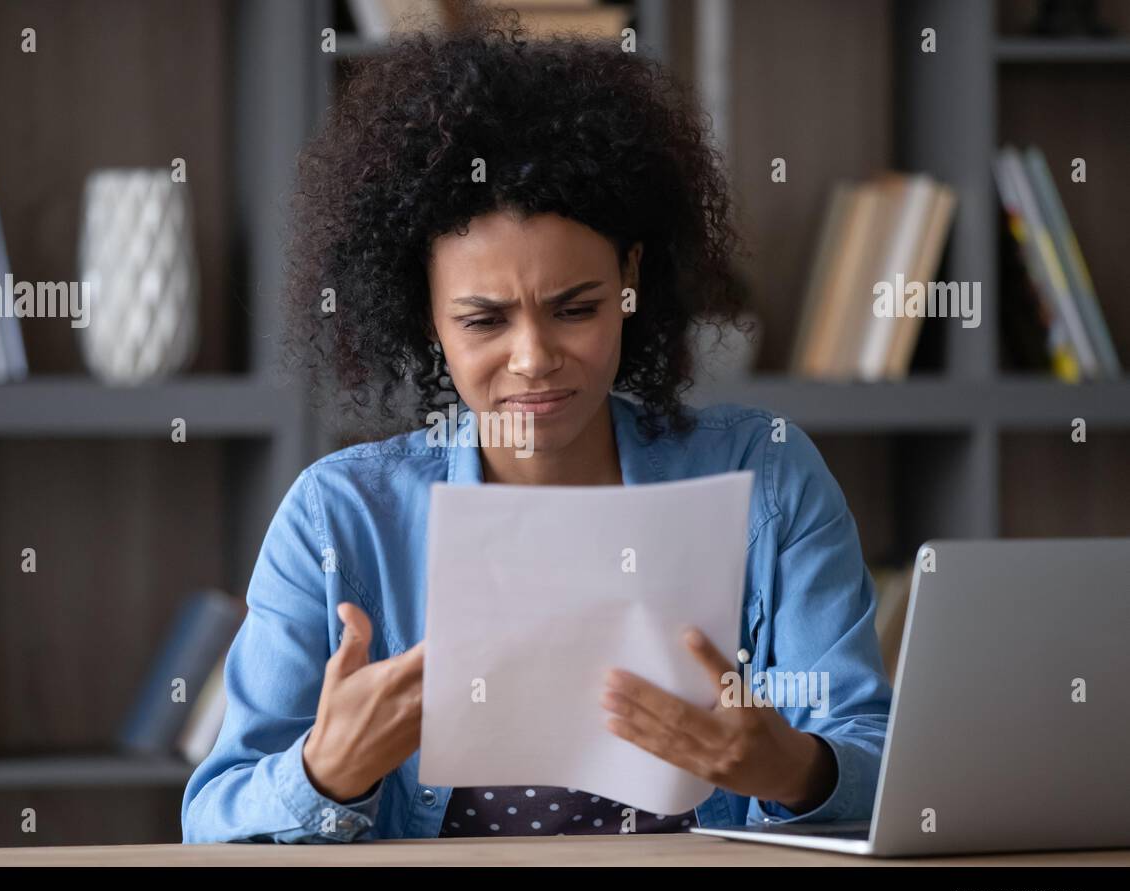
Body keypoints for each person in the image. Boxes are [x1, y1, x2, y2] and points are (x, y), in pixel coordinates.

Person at [181, 5, 891, 844]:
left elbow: (882, 759)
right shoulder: (337, 516)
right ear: (427, 314)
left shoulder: (766, 478)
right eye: (484, 321)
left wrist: (790, 768)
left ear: (630, 276)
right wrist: (324, 771)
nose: (534, 358)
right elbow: (211, 822)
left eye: (576, 308)